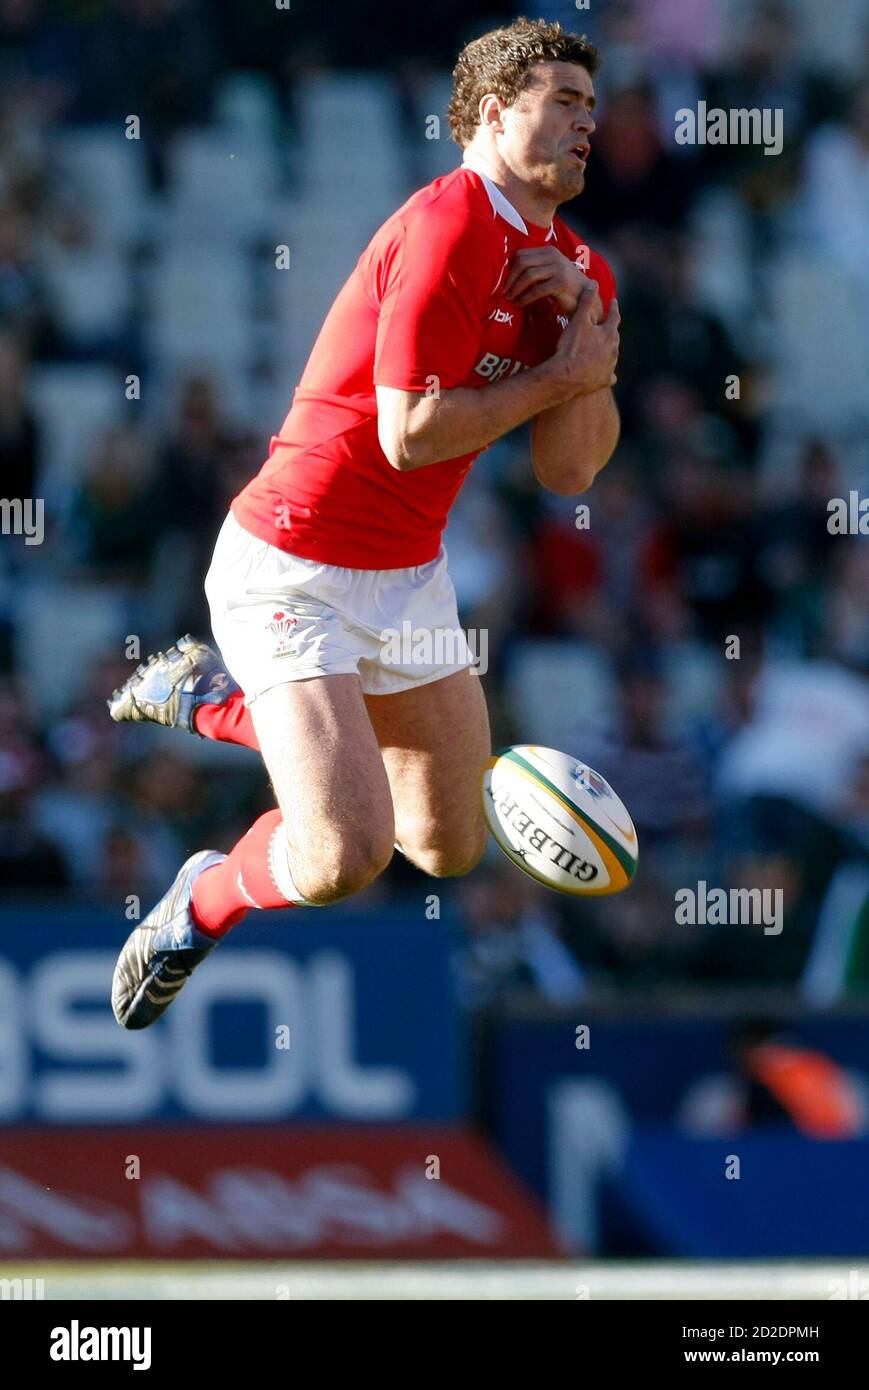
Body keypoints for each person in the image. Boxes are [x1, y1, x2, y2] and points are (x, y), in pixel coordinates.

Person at [106, 17, 622, 1029]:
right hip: (288, 565)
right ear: (489, 112)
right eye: (562, 101)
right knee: (344, 855)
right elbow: (409, 435)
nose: (584, 125)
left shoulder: (579, 269)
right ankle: (203, 886)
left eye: (589, 108)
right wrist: (557, 375)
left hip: (406, 576)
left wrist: (581, 345)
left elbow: (569, 467)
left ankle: (228, 699)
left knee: (448, 843)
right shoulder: (447, 228)